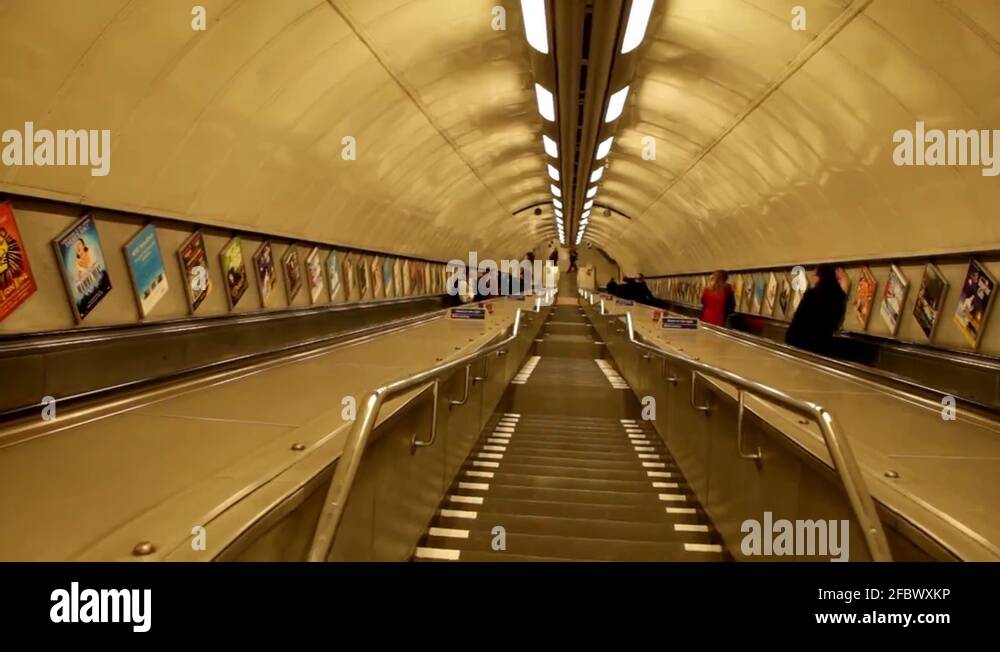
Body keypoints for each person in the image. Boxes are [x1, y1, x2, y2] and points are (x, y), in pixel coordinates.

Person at [785, 263, 847, 355]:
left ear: (821, 276)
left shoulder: (811, 295)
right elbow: (836, 322)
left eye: (815, 275)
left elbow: (798, 319)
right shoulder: (838, 296)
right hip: (821, 346)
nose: (813, 277)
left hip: (800, 342)